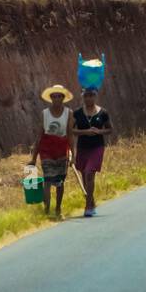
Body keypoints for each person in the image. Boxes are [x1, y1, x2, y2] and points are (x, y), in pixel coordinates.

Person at [30, 85, 73, 218]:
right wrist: (33, 157)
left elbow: (70, 134)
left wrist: (73, 154)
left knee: (60, 182)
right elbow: (39, 135)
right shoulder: (45, 113)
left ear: (63, 98)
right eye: (54, 96)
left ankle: (58, 208)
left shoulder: (68, 113)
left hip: (61, 148)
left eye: (59, 96)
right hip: (47, 148)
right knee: (48, 179)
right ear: (50, 98)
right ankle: (47, 209)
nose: (56, 98)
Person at [72, 88, 112, 218]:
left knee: (90, 173)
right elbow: (71, 130)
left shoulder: (103, 112)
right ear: (82, 97)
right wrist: (85, 132)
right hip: (83, 147)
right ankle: (91, 200)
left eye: (91, 95)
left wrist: (99, 132)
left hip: (97, 147)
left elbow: (110, 129)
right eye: (86, 96)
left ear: (96, 96)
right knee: (84, 175)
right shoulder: (77, 113)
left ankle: (88, 206)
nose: (89, 98)